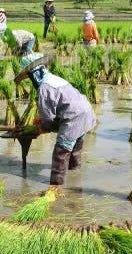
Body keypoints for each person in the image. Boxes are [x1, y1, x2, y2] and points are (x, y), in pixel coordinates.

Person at [14, 53, 96, 188]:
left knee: (60, 152)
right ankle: (74, 177)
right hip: (86, 112)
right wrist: (43, 121)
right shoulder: (54, 78)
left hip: (73, 118)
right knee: (75, 148)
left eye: (29, 77)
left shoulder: (44, 87)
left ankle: (55, 187)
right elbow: (61, 103)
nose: (30, 80)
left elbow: (48, 119)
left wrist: (40, 129)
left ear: (34, 74)